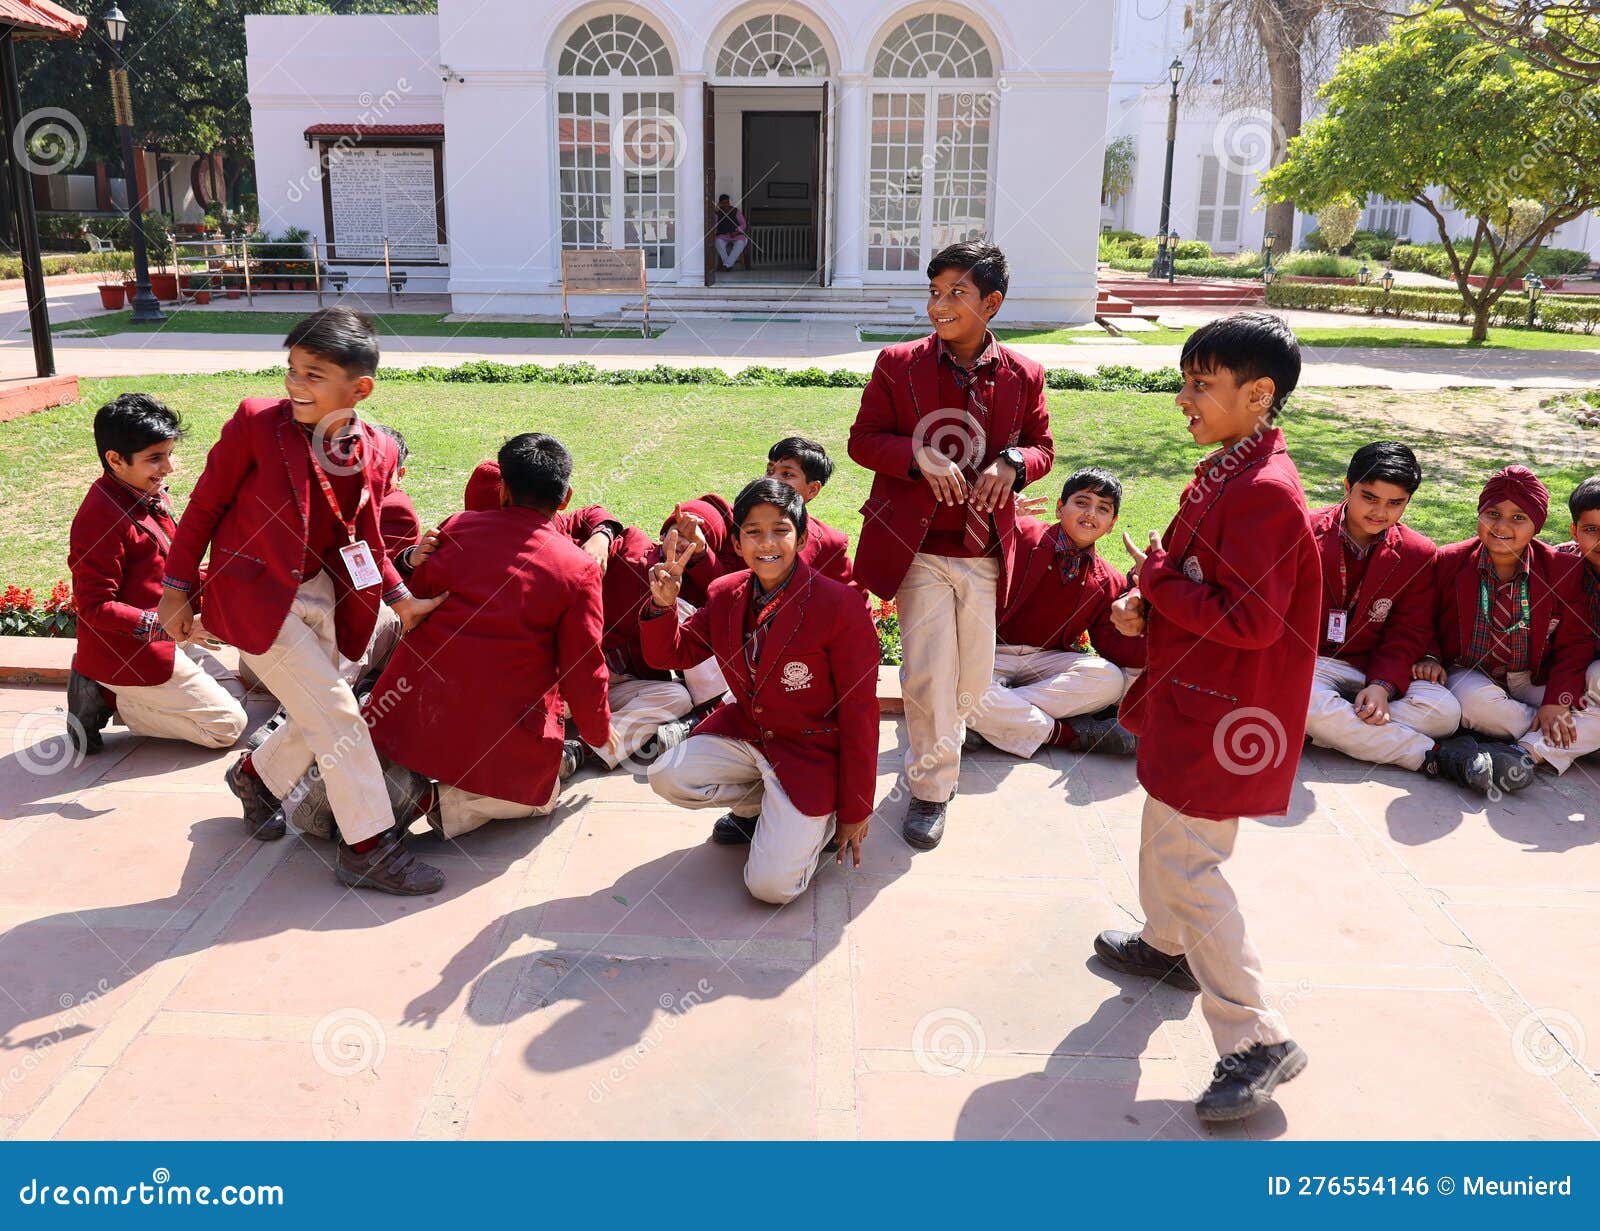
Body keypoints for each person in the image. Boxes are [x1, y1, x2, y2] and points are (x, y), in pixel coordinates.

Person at [1096, 312, 1318, 1123]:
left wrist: (1156, 583)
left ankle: (1257, 1036)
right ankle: (1166, 946)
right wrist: (1150, 605)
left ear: (1258, 396)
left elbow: (1254, 620)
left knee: (1192, 861)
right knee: (1167, 825)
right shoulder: (1231, 466)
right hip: (1200, 695)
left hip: (1230, 710)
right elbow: (1200, 583)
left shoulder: (1263, 491)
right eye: (1186, 379)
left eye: (1202, 384)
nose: (1183, 398)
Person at [157, 307, 448, 895]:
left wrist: (400, 597)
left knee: (322, 709)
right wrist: (176, 589)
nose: (294, 385)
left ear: (358, 388)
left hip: (323, 595)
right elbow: (203, 509)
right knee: (339, 715)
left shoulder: (373, 451)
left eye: (313, 374)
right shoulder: (255, 425)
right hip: (254, 600)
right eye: (291, 369)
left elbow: (362, 535)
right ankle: (369, 847)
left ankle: (257, 780)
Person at [847, 239, 1054, 850]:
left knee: (972, 679)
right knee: (932, 673)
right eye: (934, 293)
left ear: (991, 303)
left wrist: (1013, 462)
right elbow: (863, 440)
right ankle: (932, 789)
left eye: (956, 294)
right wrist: (915, 452)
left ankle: (939, 740)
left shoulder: (1023, 375)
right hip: (917, 550)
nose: (939, 306)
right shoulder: (898, 364)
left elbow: (1042, 446)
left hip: (985, 549)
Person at [641, 479, 881, 904]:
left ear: (802, 537)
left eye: (781, 530)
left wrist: (855, 810)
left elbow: (860, 713)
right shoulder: (726, 593)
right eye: (753, 531)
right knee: (666, 775)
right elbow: (672, 654)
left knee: (771, 890)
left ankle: (815, 821)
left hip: (812, 755)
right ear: (736, 541)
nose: (766, 543)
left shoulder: (841, 607)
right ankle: (760, 809)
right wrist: (663, 605)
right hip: (750, 735)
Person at [367, 433, 615, 840]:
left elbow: (423, 597)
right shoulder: (577, 568)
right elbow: (584, 668)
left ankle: (409, 785)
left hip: (409, 713)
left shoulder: (456, 527)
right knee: (540, 796)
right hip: (498, 730)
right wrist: (599, 732)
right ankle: (431, 802)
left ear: (502, 491)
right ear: (565, 497)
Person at [462, 459, 693, 774]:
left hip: (591, 678)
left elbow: (592, 514)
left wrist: (603, 535)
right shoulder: (476, 560)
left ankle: (580, 752)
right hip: (543, 688)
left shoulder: (560, 536)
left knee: (674, 696)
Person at [66, 393, 247, 754]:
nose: (169, 467)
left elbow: (168, 561)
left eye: (168, 454)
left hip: (166, 635)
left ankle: (117, 690)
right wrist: (169, 626)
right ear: (115, 460)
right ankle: (105, 695)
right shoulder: (98, 518)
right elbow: (94, 607)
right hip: (130, 648)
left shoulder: (144, 490)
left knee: (238, 693)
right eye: (155, 458)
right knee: (227, 727)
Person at [1304, 443, 1492, 791]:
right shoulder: (1303, 531)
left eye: (1395, 503)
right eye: (1369, 497)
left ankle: (1319, 730)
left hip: (1369, 665)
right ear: (1347, 487)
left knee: (1443, 712)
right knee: (1302, 696)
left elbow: (1410, 629)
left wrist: (1382, 685)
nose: (1380, 512)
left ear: (1408, 502)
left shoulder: (1418, 553)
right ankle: (1431, 756)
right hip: (1309, 661)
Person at [1415, 466, 1599, 788]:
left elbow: (1576, 644)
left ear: (1536, 527)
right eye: (1492, 513)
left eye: (1519, 518)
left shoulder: (1561, 570)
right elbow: (1422, 617)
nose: (1502, 526)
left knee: (1585, 692)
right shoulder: (1449, 561)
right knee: (1473, 703)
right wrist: (1430, 655)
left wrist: (1558, 699)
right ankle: (1577, 737)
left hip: (1533, 676)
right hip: (1472, 672)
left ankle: (1524, 751)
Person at [967, 467, 1144, 760]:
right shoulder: (1021, 533)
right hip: (989, 652)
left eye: (1103, 509)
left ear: (1112, 523)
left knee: (1110, 679)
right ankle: (1069, 735)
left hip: (1045, 661)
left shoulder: (1107, 580)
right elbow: (970, 548)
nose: (1090, 513)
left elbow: (1117, 650)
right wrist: (999, 518)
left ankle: (982, 722)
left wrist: (1148, 599)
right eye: (1082, 502)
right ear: (1060, 507)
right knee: (957, 687)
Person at [712, 193, 749, 269]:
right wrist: (715, 212)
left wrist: (736, 232)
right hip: (723, 235)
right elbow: (714, 225)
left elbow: (743, 224)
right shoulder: (717, 213)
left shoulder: (736, 211)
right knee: (718, 242)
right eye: (724, 203)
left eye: (727, 202)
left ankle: (727, 265)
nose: (726, 205)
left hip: (736, 235)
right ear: (720, 204)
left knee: (742, 242)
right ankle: (728, 264)